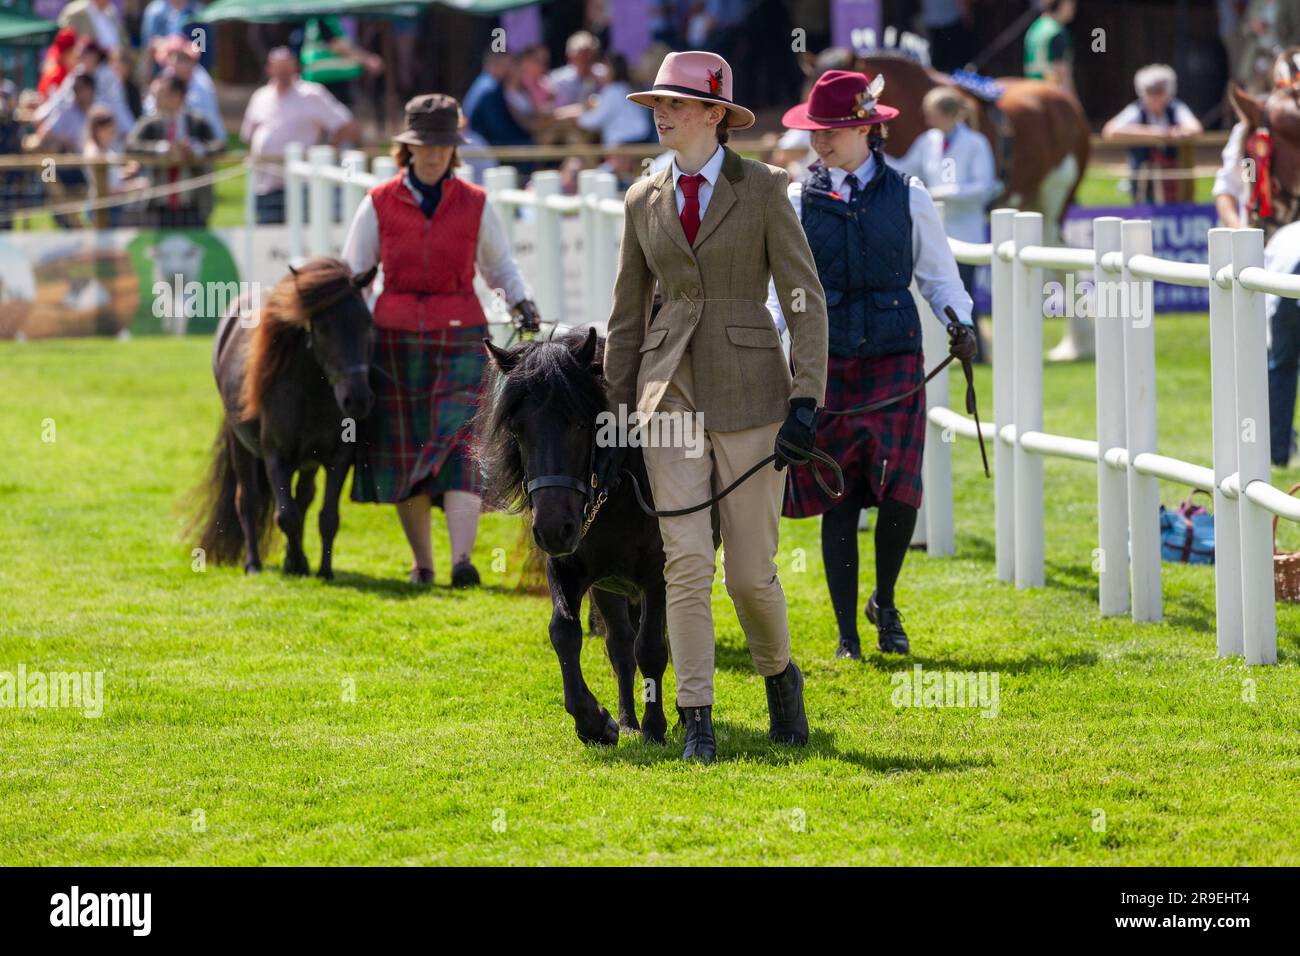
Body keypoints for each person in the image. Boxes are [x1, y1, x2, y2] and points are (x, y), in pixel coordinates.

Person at [605, 51, 829, 763]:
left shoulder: (765, 189)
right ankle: (695, 713)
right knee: (686, 563)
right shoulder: (643, 196)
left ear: (714, 114)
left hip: (754, 394)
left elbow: (803, 300)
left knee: (750, 574)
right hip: (666, 392)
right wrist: (615, 409)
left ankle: (778, 677)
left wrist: (806, 398)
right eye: (656, 105)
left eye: (674, 104)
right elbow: (627, 317)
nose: (661, 114)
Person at [768, 69, 976, 660]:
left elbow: (938, 276)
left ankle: (884, 601)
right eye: (815, 132)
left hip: (894, 356)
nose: (820, 142)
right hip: (826, 363)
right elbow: (783, 291)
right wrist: (771, 337)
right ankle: (846, 636)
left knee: (900, 494)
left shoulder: (909, 195)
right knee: (839, 495)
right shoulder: (794, 198)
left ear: (864, 127)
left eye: (830, 130)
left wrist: (959, 325)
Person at [340, 95, 540, 586]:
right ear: (407, 149)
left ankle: (462, 562)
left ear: (453, 150)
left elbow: (499, 266)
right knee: (404, 450)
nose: (433, 155)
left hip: (462, 337)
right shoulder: (379, 201)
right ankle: (423, 564)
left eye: (442, 146)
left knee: (461, 446)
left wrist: (521, 301)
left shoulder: (475, 203)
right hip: (394, 340)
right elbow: (355, 276)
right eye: (424, 146)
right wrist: (350, 330)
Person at [893, 85, 998, 362]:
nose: (927, 119)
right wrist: (870, 152)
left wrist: (940, 194)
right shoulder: (928, 141)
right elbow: (904, 169)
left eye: (931, 114)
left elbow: (983, 188)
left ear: (948, 114)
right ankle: (945, 353)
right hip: (936, 234)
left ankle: (976, 353)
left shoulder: (976, 143)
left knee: (964, 295)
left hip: (966, 233)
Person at [240, 48, 360, 224]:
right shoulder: (260, 96)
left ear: (295, 68)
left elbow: (347, 125)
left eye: (286, 68)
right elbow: (248, 136)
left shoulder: (312, 94)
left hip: (302, 185)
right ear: (269, 69)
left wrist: (326, 151)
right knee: (266, 237)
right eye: (278, 68)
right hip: (265, 185)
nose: (282, 73)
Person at [124, 74, 224, 228]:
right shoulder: (151, 123)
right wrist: (161, 148)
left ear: (176, 96)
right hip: (159, 203)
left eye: (160, 95)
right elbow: (130, 146)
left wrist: (196, 149)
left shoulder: (196, 122)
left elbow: (219, 146)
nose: (155, 100)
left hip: (192, 202)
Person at [1102, 64, 1203, 205]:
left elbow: (1196, 129)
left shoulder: (1175, 107)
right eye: (1150, 91)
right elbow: (1109, 131)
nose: (1155, 96)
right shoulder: (1137, 109)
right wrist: (1156, 133)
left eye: (1159, 91)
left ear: (1168, 91)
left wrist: (1177, 134)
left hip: (1172, 179)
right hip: (1143, 179)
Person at [145, 37, 224, 148]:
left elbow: (208, 116)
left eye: (185, 59)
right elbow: (150, 109)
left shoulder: (202, 81)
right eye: (177, 58)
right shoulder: (164, 79)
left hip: (197, 138)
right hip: (162, 138)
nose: (182, 64)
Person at [298, 15, 383, 108]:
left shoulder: (326, 15)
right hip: (328, 78)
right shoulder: (327, 16)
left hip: (327, 77)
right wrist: (367, 60)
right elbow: (335, 44)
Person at [82, 105, 147, 226]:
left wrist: (127, 171)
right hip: (102, 209)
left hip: (109, 206)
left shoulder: (102, 149)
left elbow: (110, 177)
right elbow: (108, 188)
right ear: (98, 129)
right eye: (110, 131)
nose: (113, 135)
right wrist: (134, 186)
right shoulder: (94, 152)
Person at [1024, 0, 1076, 95]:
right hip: (1051, 94)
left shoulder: (1034, 28)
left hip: (1032, 91)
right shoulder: (1056, 31)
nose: (1073, 7)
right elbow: (1062, 72)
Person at [549, 31, 603, 108]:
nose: (585, 58)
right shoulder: (558, 79)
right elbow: (554, 113)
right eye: (581, 54)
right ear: (570, 55)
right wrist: (584, 108)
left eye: (589, 53)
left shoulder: (602, 75)